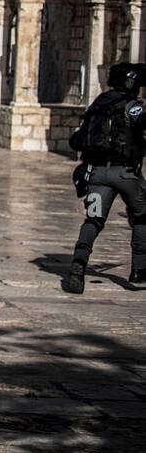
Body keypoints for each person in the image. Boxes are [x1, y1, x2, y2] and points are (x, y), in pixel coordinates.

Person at [62, 62, 146, 294]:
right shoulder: (131, 106)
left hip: (97, 174)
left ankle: (77, 267)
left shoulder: (98, 105)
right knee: (142, 217)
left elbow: (76, 141)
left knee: (93, 221)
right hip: (126, 173)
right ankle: (139, 271)